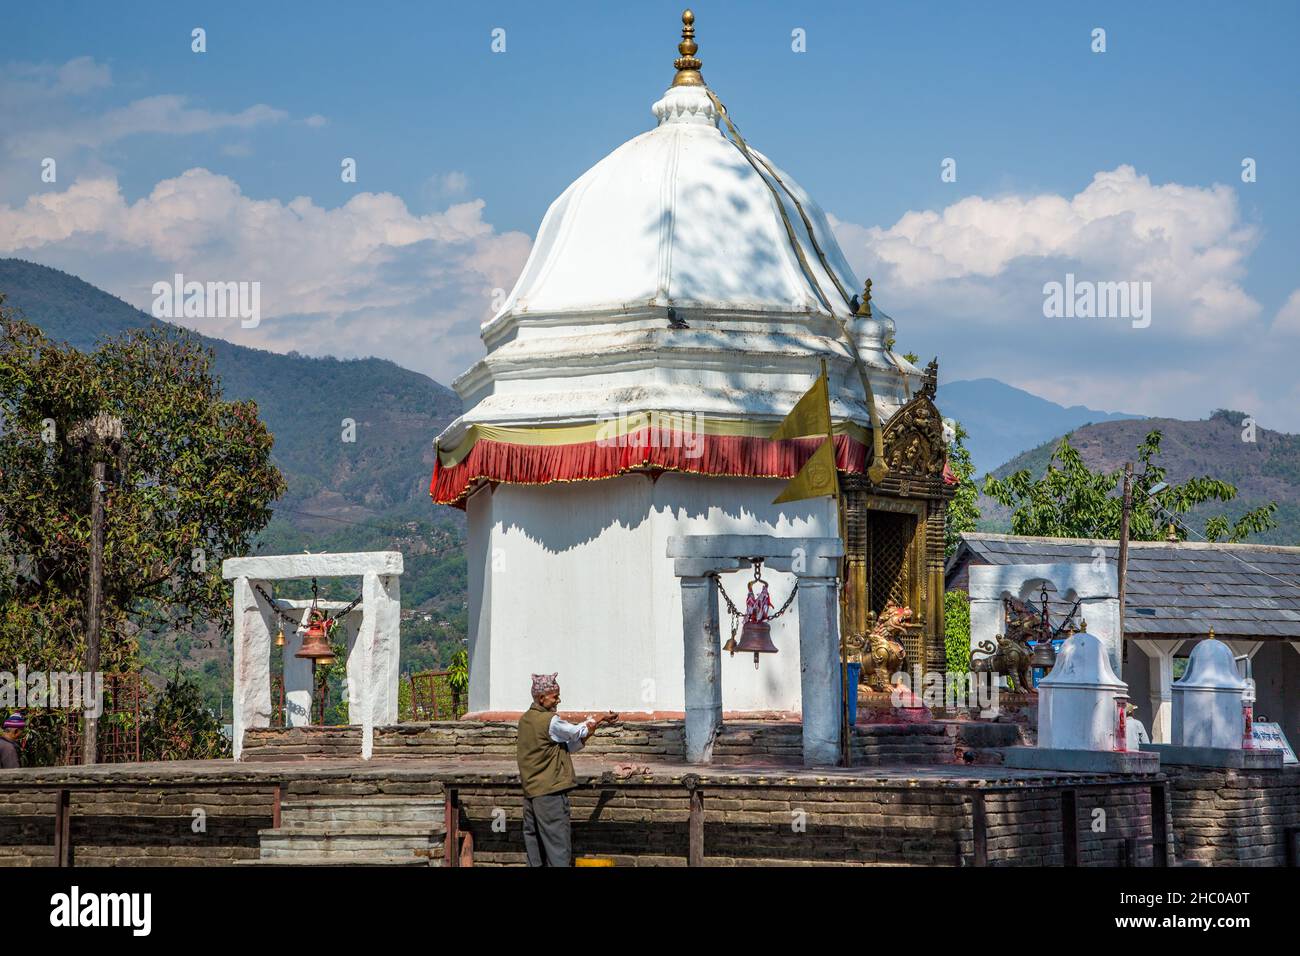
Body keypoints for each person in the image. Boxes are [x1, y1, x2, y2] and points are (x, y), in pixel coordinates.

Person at [516, 673, 617, 866]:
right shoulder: (550, 721)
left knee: (535, 851)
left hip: (531, 794)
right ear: (541, 698)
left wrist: (588, 734)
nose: (558, 700)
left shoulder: (525, 720)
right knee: (558, 849)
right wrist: (599, 718)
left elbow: (562, 747)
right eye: (554, 696)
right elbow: (576, 732)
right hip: (550, 795)